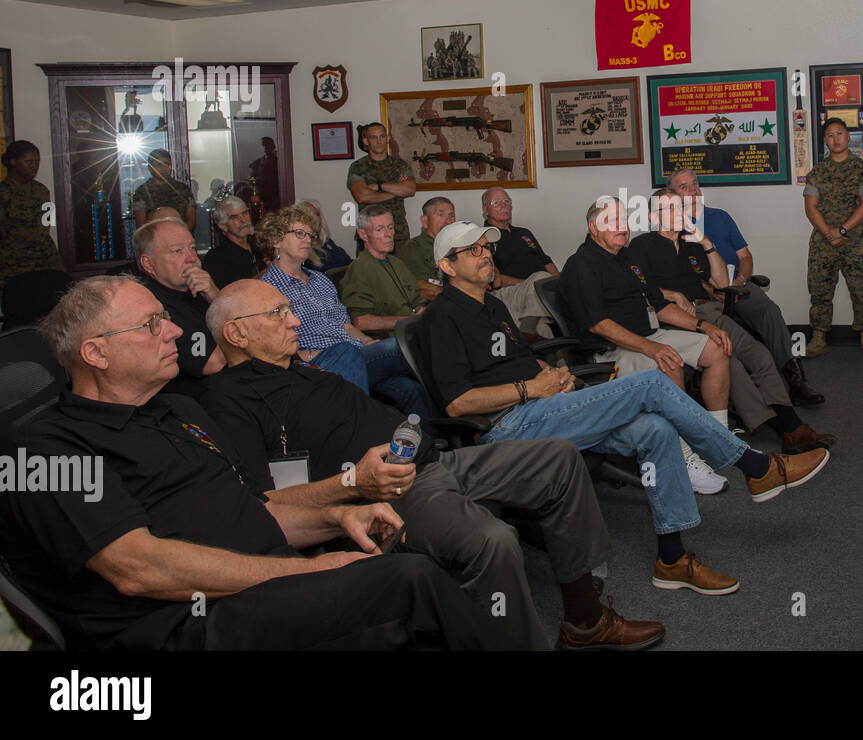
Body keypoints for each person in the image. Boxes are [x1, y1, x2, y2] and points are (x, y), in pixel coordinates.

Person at [0, 275, 512, 650]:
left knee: (400, 591)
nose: (176, 331)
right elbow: (139, 569)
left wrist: (335, 517)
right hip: (186, 625)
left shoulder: (178, 411)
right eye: (151, 324)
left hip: (260, 588)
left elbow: (253, 507)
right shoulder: (45, 451)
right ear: (96, 353)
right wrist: (308, 572)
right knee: (410, 581)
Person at [202, 279, 664, 651]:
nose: (295, 319)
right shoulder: (228, 400)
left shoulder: (305, 369)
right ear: (236, 333)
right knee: (493, 539)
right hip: (390, 491)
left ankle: (584, 622)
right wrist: (352, 482)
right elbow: (261, 505)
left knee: (558, 457)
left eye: (290, 309)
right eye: (278, 313)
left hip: (435, 457)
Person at [420, 221, 829, 596]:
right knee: (651, 381)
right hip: (506, 426)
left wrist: (553, 374)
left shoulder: (492, 306)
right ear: (447, 266)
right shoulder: (441, 318)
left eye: (484, 247)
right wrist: (531, 388)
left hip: (545, 404)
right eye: (472, 251)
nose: (485, 255)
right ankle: (755, 467)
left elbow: (519, 361)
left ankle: (671, 558)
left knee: (655, 429)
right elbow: (458, 403)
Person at [629, 190, 835, 455]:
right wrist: (672, 294)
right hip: (677, 317)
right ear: (652, 217)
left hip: (710, 310)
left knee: (758, 354)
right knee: (730, 361)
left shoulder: (691, 244)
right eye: (667, 209)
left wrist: (706, 242)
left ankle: (789, 423)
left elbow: (721, 283)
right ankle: (784, 427)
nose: (676, 213)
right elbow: (639, 287)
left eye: (678, 207)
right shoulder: (641, 245)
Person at [560, 197, 735, 493]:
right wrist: (651, 348)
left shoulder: (626, 258)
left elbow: (659, 305)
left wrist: (704, 326)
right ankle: (683, 459)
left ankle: (718, 436)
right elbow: (598, 324)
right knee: (668, 361)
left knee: (715, 348)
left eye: (624, 221)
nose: (621, 227)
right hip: (610, 351)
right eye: (611, 222)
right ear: (593, 227)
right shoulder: (581, 265)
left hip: (648, 336)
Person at [257, 205, 427, 423]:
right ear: (276, 240)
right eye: (299, 233)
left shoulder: (320, 280)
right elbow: (272, 347)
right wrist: (309, 355)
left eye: (310, 234)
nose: (307, 240)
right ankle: (360, 438)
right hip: (314, 363)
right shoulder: (268, 288)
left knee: (410, 389)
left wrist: (367, 342)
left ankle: (425, 450)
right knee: (402, 345)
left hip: (353, 354)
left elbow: (346, 326)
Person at [669, 167, 824, 405]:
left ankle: (795, 381)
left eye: (695, 184)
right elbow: (677, 271)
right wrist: (712, 290)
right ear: (673, 195)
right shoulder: (672, 226)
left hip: (738, 286)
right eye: (684, 187)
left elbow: (745, 256)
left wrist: (741, 280)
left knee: (769, 311)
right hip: (704, 294)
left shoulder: (720, 217)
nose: (693, 190)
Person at [803, 118, 863, 360]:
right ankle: (818, 338)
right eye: (829, 135)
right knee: (819, 291)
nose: (835, 139)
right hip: (823, 243)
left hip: (855, 241)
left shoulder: (862, 169)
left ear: (848, 137)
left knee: (861, 290)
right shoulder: (818, 172)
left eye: (839, 133)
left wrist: (843, 231)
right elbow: (811, 207)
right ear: (825, 141)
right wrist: (829, 232)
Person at [134, 218, 224, 398]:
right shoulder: (152, 306)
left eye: (192, 248)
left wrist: (216, 297)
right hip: (195, 404)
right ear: (148, 264)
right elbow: (213, 363)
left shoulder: (201, 289)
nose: (192, 258)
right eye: (177, 251)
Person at [480, 187, 560, 337]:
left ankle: (559, 356)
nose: (503, 205)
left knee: (544, 331)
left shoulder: (524, 233)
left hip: (536, 293)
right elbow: (491, 276)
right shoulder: (484, 237)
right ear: (485, 210)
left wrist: (559, 283)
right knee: (539, 280)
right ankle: (526, 333)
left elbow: (546, 261)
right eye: (496, 203)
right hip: (508, 292)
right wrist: (529, 285)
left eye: (506, 201)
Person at [338, 205, 426, 340]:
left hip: (416, 330)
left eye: (390, 228)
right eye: (379, 230)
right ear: (363, 235)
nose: (389, 234)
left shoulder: (397, 263)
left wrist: (423, 311)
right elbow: (360, 321)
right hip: (395, 338)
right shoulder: (360, 269)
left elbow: (418, 299)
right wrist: (408, 320)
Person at [0, 140, 64, 296]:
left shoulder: (42, 191)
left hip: (44, 262)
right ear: (13, 162)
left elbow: (47, 224)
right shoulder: (3, 193)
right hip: (13, 266)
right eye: (29, 162)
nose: (34, 166)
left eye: (37, 162)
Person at [346, 122, 415, 250]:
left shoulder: (400, 165)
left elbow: (410, 189)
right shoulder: (358, 167)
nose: (379, 141)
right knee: (369, 270)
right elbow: (362, 196)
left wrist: (378, 186)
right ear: (366, 141)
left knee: (400, 269)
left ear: (388, 138)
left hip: (397, 233)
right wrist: (396, 190)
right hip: (370, 233)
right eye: (373, 137)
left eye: (382, 136)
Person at [396, 196, 457, 302]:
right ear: (425, 221)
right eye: (440, 215)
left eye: (451, 215)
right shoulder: (413, 249)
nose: (448, 221)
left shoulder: (459, 245)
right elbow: (423, 287)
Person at [202, 196, 262, 288]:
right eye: (235, 217)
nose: (243, 220)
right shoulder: (216, 258)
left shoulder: (260, 248)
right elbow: (228, 295)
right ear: (223, 226)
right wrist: (267, 273)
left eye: (245, 213)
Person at [131, 149, 196, 231]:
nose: (164, 168)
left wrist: (179, 236)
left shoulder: (183, 189)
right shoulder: (142, 192)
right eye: (158, 165)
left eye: (167, 164)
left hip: (181, 237)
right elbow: (142, 227)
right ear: (150, 168)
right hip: (155, 240)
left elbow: (191, 221)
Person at [299, 198, 352, 272]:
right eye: (309, 216)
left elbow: (351, 266)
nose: (316, 219)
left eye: (317, 214)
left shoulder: (329, 244)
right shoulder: (301, 251)